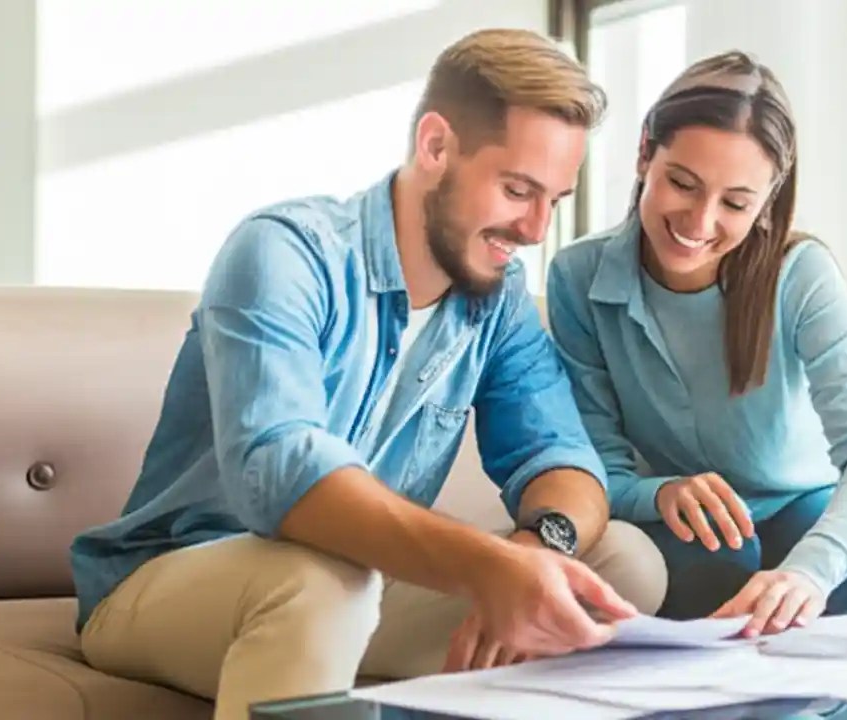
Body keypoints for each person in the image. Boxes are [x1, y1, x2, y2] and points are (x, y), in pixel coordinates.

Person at [70, 29, 667, 719]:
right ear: (436, 146)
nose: (535, 229)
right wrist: (485, 566)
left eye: (554, 201)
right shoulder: (285, 252)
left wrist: (537, 550)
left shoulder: (497, 299)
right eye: (516, 190)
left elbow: (564, 462)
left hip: (362, 583)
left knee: (620, 563)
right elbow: (285, 475)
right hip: (180, 578)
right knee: (318, 579)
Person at [547, 51, 847, 637]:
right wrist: (659, 494)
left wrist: (809, 574)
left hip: (803, 508)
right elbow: (592, 466)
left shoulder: (801, 274)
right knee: (719, 563)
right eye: (682, 183)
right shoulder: (578, 277)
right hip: (689, 532)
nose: (700, 221)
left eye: (735, 202)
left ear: (767, 199)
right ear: (643, 153)